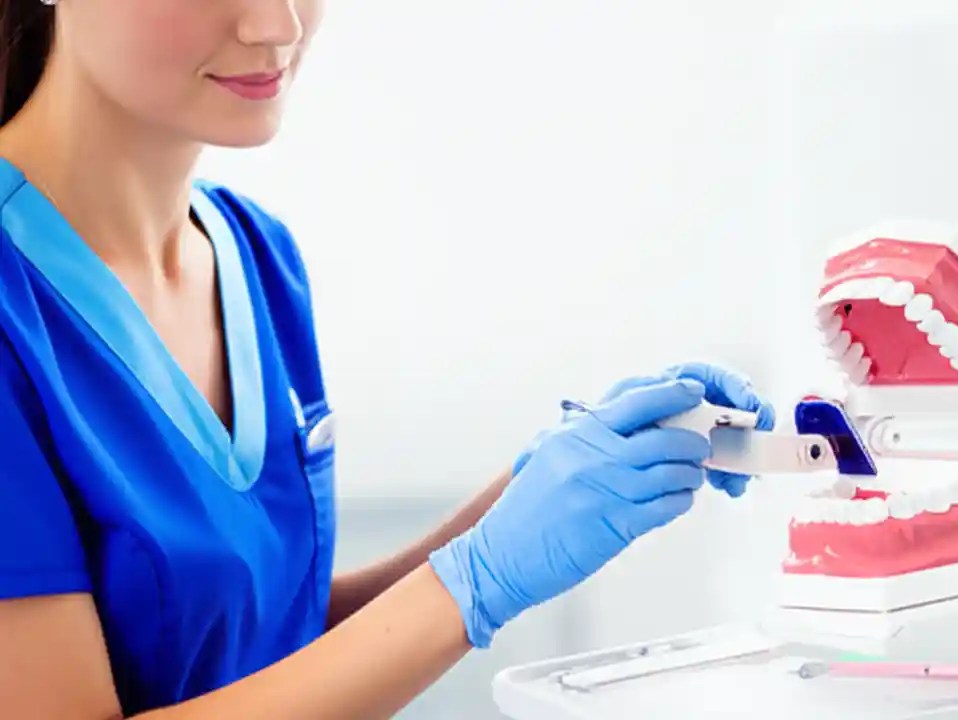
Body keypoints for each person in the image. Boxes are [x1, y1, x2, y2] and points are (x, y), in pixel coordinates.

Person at [0, 1, 775, 717]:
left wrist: (528, 498)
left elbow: (271, 646)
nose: (278, 26)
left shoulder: (254, 255)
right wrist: (474, 582)